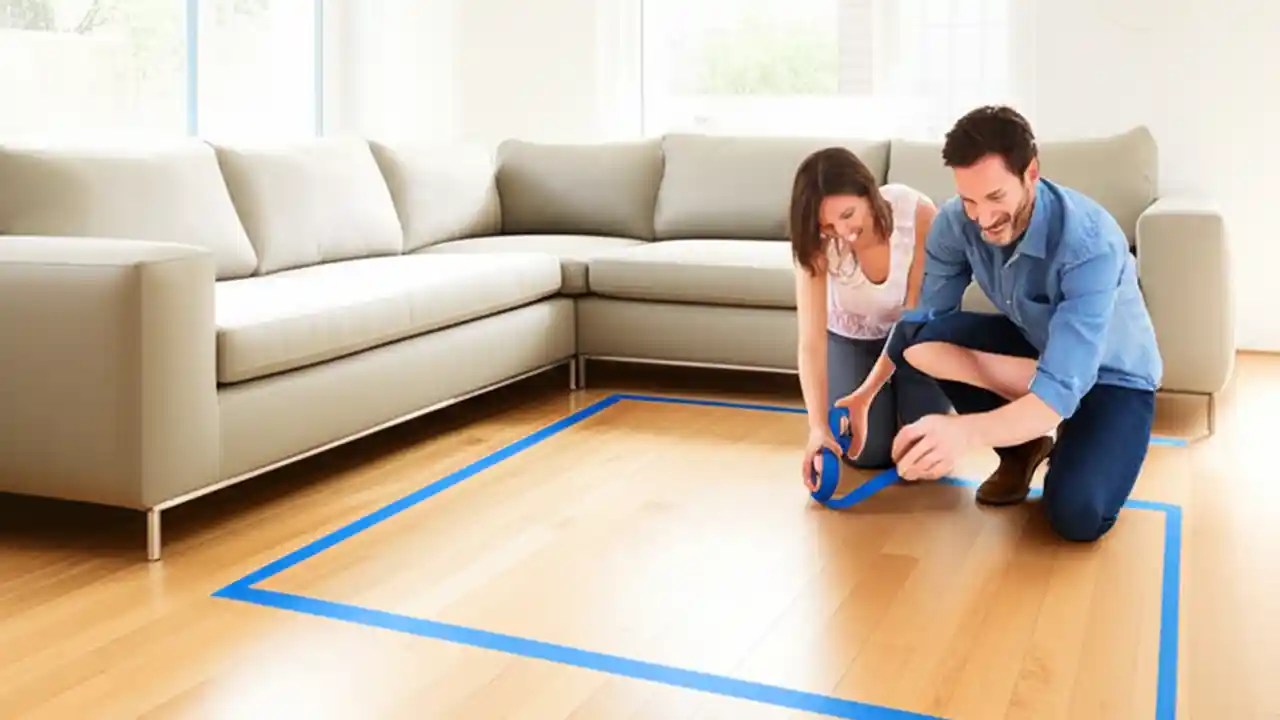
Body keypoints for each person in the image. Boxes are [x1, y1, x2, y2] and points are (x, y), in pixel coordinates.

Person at [883, 105, 1164, 542]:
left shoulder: (1089, 243)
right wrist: (863, 397)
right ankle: (1022, 447)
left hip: (1113, 379)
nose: (982, 218)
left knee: (1077, 516)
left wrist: (962, 432)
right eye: (969, 199)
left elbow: (1061, 387)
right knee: (918, 339)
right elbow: (920, 326)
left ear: (1031, 173)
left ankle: (1076, 434)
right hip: (1038, 352)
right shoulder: (957, 223)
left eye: (996, 197)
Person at [790, 147, 953, 490]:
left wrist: (870, 392)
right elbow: (811, 342)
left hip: (912, 341)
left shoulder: (918, 214)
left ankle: (905, 405)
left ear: (868, 191)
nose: (844, 232)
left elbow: (915, 321)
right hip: (852, 339)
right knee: (868, 452)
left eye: (848, 214)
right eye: (829, 225)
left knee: (918, 452)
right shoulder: (817, 243)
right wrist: (817, 428)